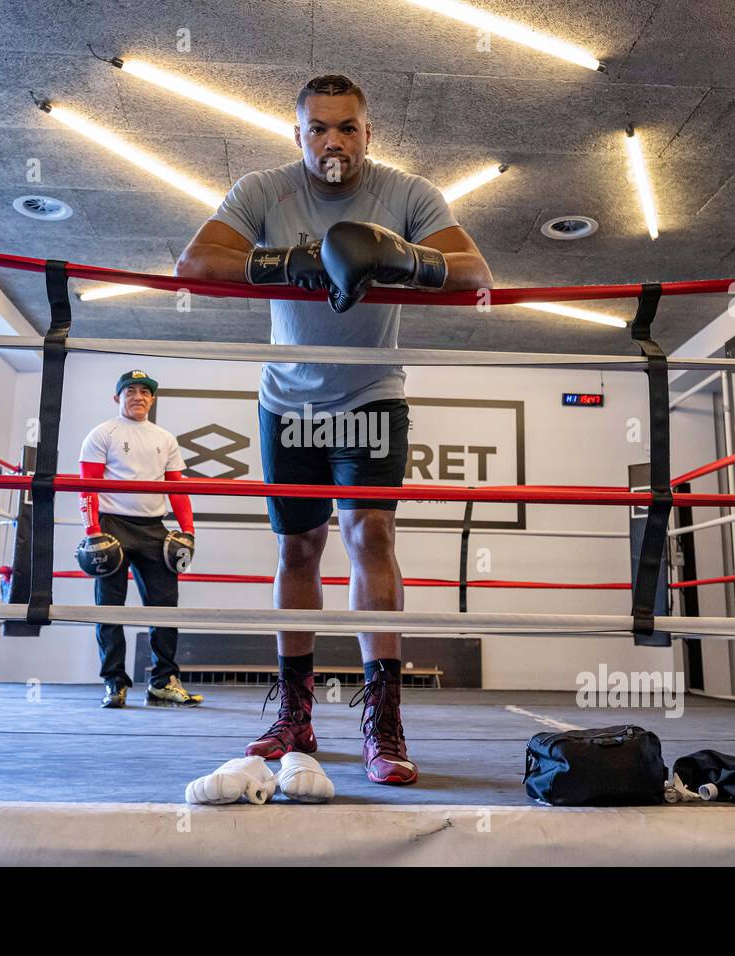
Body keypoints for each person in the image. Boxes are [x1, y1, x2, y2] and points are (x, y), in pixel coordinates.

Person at [174, 74, 493, 784]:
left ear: (368, 133)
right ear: (298, 135)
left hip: (371, 394)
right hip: (289, 402)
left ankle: (385, 722)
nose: (332, 141)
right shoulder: (264, 190)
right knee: (297, 549)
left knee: (370, 536)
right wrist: (296, 261)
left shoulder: (408, 195)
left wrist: (403, 257)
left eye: (346, 127)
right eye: (318, 128)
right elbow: (194, 263)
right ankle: (296, 714)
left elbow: (477, 275)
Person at [76, 370, 201, 708]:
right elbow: (87, 485)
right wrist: (92, 533)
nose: (138, 396)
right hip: (112, 525)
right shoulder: (103, 433)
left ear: (152, 399)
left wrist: (187, 531)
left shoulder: (164, 437)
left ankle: (163, 680)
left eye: (145, 392)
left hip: (153, 527)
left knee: (165, 607)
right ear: (117, 398)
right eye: (130, 390)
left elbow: (177, 487)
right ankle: (114, 683)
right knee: (110, 606)